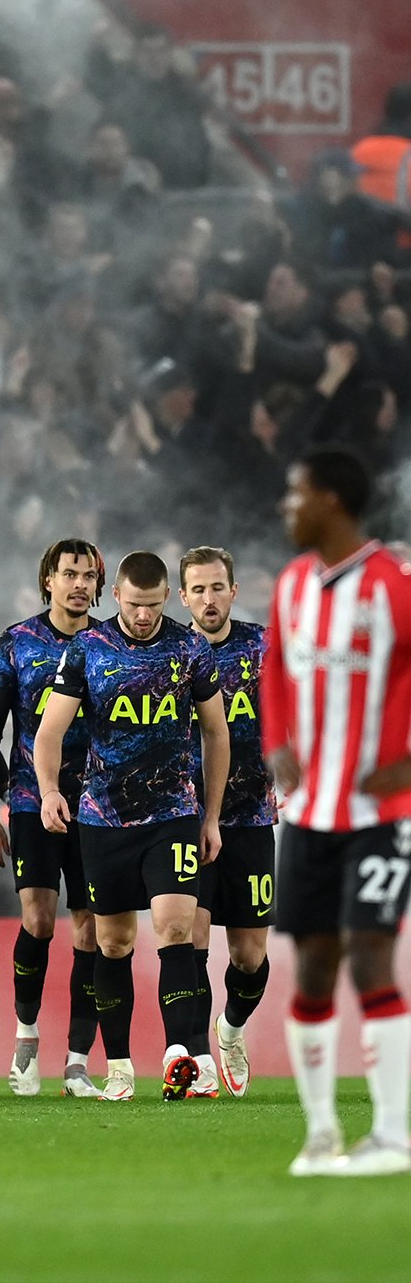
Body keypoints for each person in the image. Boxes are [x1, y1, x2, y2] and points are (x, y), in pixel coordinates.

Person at [262, 447, 411, 1176]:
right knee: (315, 969)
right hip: (311, 814)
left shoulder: (393, 585)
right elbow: (274, 673)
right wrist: (274, 746)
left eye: (297, 494)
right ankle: (321, 1136)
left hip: (383, 813)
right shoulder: (291, 586)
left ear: (332, 502)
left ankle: (392, 1136)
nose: (287, 508)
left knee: (372, 956)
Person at [34, 551, 230, 1102]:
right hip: (104, 818)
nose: (144, 616)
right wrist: (50, 792)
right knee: (112, 942)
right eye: (134, 604)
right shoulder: (87, 650)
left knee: (174, 927)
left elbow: (216, 733)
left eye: (153, 605)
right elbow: (49, 733)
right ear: (115, 596)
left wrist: (211, 815)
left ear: (167, 598)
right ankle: (119, 1066)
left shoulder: (189, 648)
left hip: (172, 812)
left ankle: (179, 1055)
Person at [0, 539, 104, 1098]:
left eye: (88, 576)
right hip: (31, 801)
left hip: (103, 807)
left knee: (94, 931)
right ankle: (26, 1037)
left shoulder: (110, 643)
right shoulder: (17, 643)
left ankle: (77, 1060)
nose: (79, 584)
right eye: (68, 573)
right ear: (47, 580)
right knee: (39, 921)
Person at [178, 546, 277, 1098]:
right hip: (184, 819)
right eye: (199, 589)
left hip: (250, 816)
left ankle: (231, 1030)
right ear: (183, 595)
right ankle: (196, 1057)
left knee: (248, 956)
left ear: (233, 591)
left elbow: (290, 713)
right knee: (190, 938)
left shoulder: (263, 647)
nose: (209, 599)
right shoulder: (171, 651)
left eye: (218, 587)